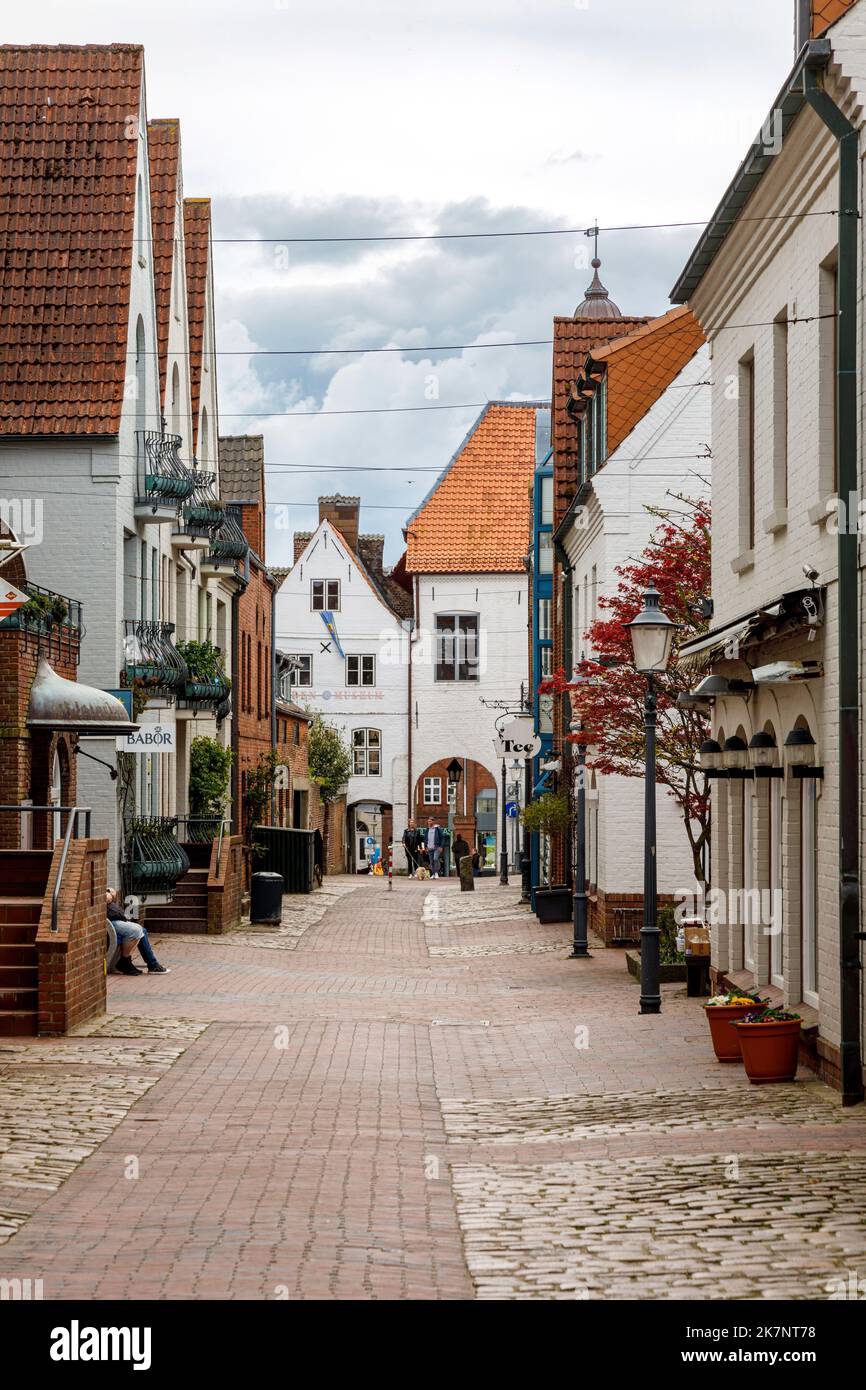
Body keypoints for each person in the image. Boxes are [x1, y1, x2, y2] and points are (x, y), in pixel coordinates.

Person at [107, 889, 170, 975]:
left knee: (142, 930)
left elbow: (111, 895)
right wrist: (109, 894)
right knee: (135, 931)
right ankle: (125, 961)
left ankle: (152, 964)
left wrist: (111, 894)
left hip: (115, 919)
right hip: (109, 923)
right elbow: (107, 898)